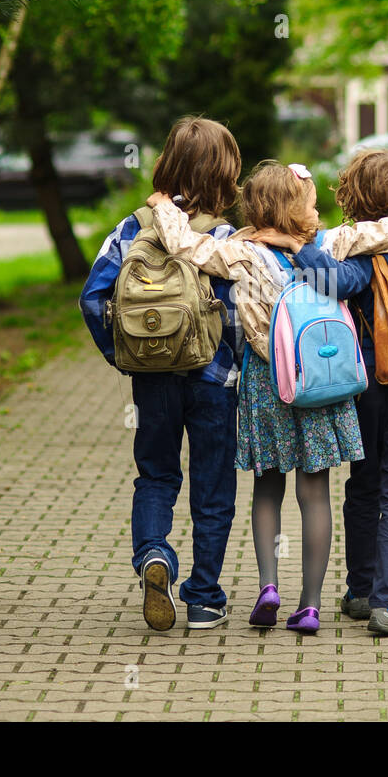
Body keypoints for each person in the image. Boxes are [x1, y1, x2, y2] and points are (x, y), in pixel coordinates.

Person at [146, 160, 388, 634]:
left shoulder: (241, 252)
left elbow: (186, 246)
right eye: (312, 202)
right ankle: (309, 605)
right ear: (296, 208)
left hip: (266, 383)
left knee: (267, 488)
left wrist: (165, 207)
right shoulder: (329, 243)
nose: (318, 210)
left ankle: (269, 585)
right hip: (319, 381)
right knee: (315, 493)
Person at [267, 149, 388, 636]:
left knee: (364, 486)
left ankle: (365, 594)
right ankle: (387, 603)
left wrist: (298, 246)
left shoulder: (368, 256)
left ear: (355, 199)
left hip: (369, 388)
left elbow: (329, 281)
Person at [79, 116, 244, 631]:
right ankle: (204, 598)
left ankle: (155, 555)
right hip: (214, 381)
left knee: (156, 475)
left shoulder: (132, 227)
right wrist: (236, 365)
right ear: (225, 173)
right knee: (212, 486)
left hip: (151, 378)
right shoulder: (226, 238)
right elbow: (244, 310)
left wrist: (124, 355)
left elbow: (92, 298)